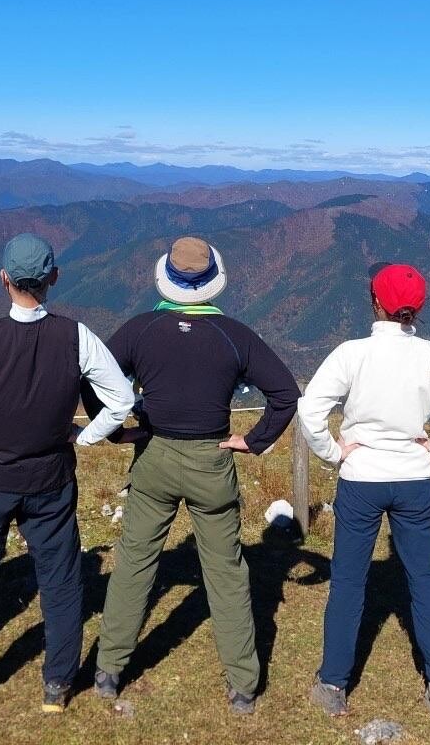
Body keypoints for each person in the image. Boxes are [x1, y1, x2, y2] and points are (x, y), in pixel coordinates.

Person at [84, 236, 300, 716]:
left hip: (154, 454)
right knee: (225, 572)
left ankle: (108, 671)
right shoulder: (235, 335)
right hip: (211, 461)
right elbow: (285, 393)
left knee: (136, 561)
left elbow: (91, 378)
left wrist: (115, 431)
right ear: (212, 280)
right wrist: (253, 439)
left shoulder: (140, 329)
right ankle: (244, 685)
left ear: (166, 276)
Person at [0, 233, 134, 718]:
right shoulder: (77, 337)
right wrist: (83, 437)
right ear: (53, 278)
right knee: (60, 580)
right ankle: (57, 685)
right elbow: (121, 399)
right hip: (51, 480)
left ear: (3, 280)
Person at [297, 263, 430, 721]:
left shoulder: (352, 354)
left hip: (361, 478)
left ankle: (333, 685)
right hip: (415, 480)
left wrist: (334, 452)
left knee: (348, 581)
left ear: (374, 303)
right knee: (426, 581)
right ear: (417, 308)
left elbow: (311, 412)